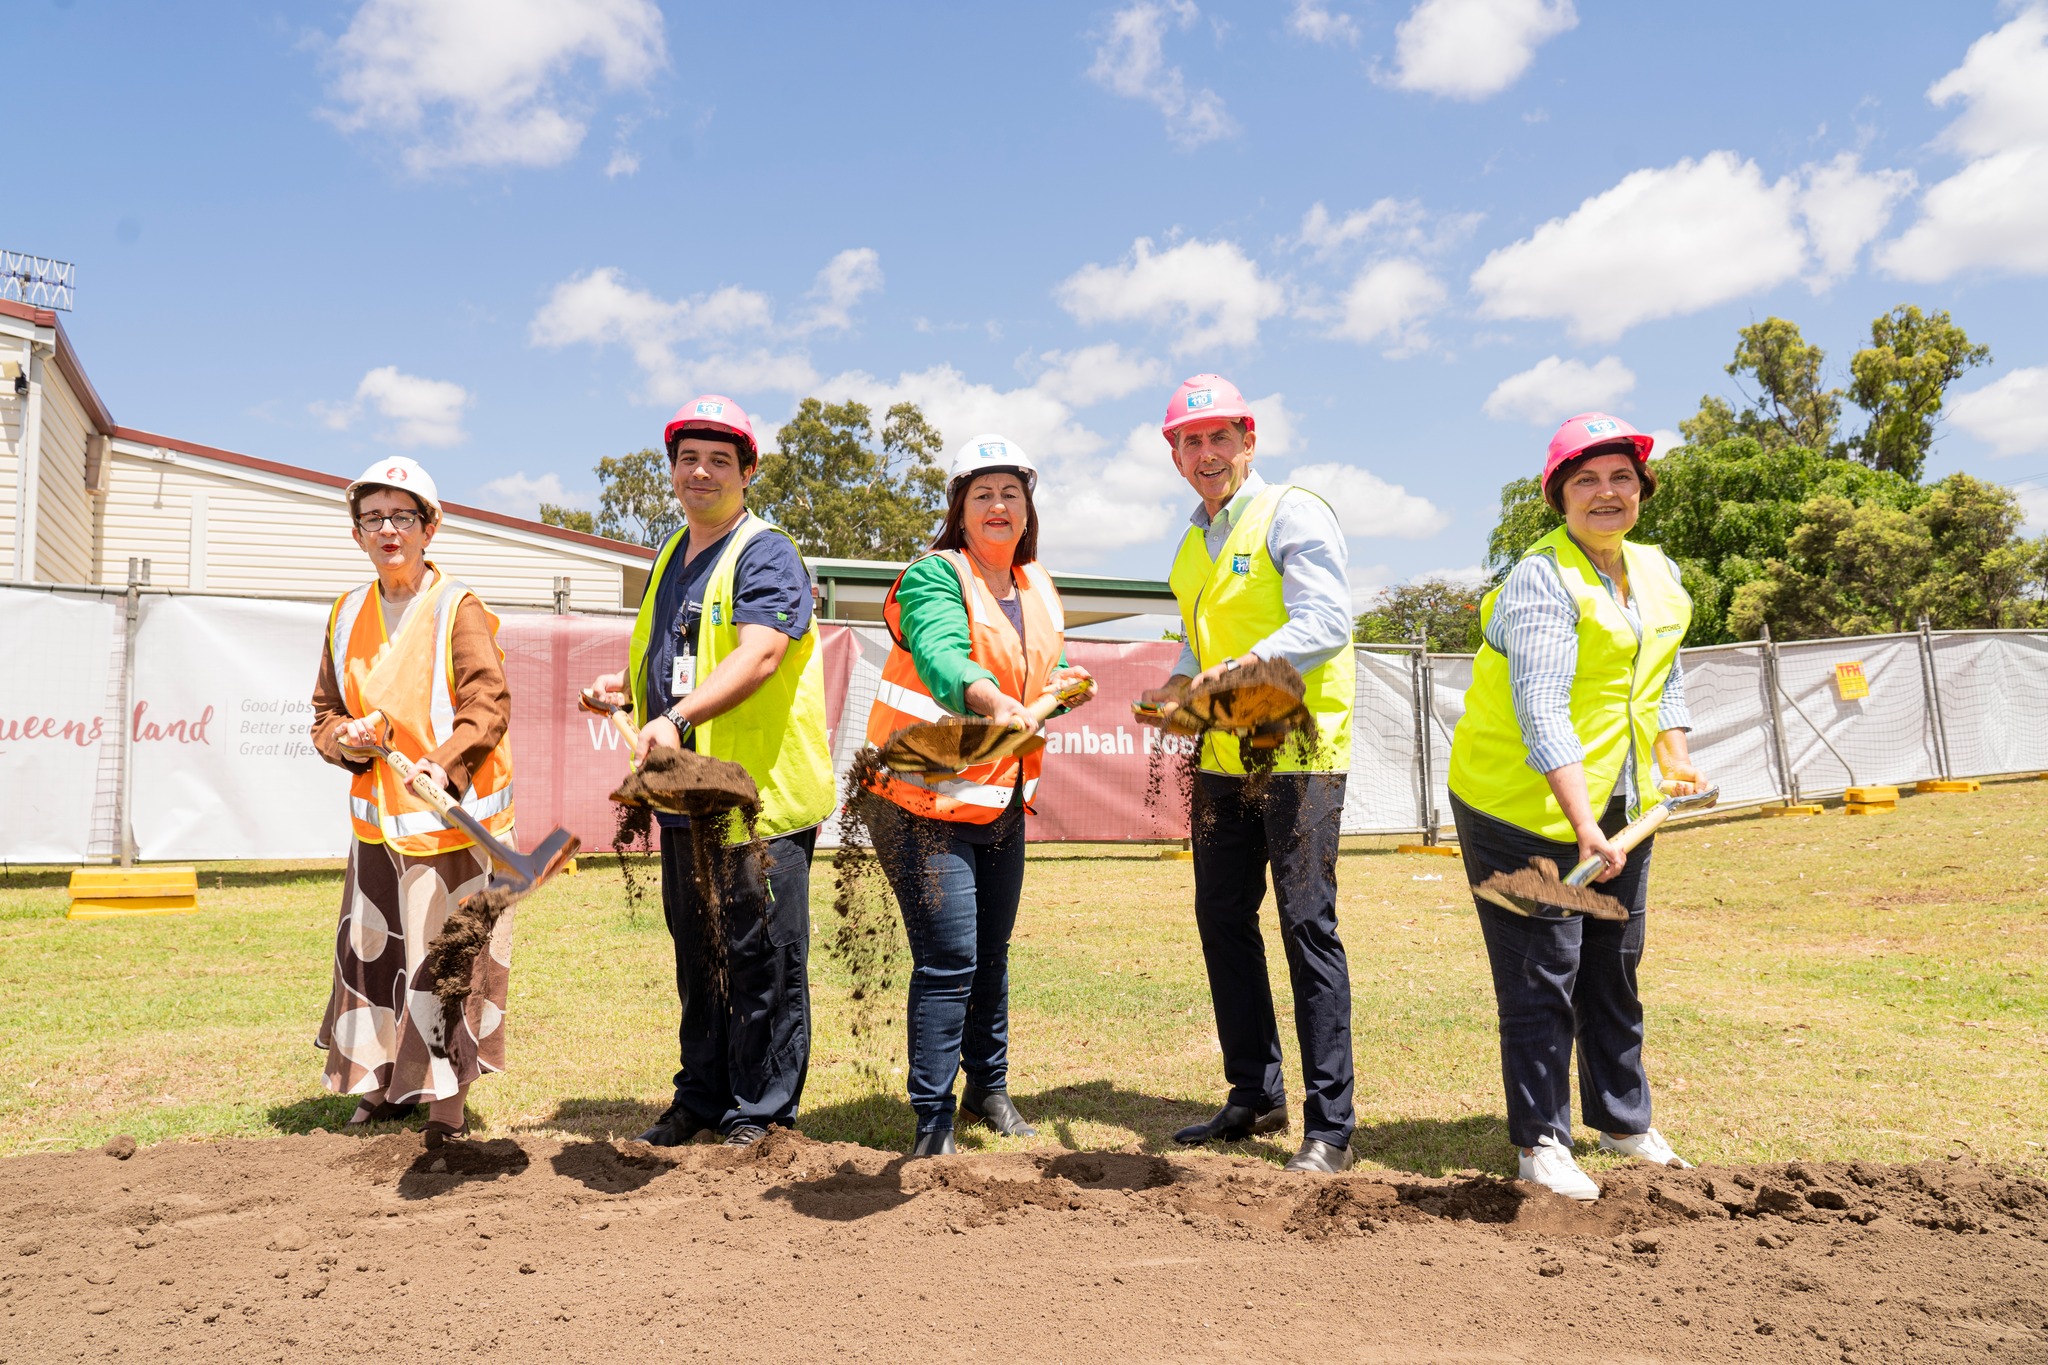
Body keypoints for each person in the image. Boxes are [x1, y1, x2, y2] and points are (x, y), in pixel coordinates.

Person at [1446, 412, 1706, 1202]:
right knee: (1541, 971)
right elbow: (1542, 707)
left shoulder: (1656, 573)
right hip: (1516, 804)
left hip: (1616, 802)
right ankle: (1541, 1142)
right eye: (1585, 480)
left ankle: (1623, 1121)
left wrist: (1675, 758)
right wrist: (1582, 823)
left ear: (1642, 490)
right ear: (1559, 494)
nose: (1605, 493)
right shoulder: (1541, 579)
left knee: (1613, 965)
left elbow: (1661, 676)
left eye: (1620, 477)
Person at [585, 395, 834, 1149]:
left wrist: (679, 718)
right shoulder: (670, 553)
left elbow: (758, 652)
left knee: (762, 960)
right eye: (688, 458)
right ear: (671, 470)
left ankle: (760, 1113)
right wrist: (630, 694)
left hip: (760, 803)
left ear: (748, 471)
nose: (701, 471)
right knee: (698, 954)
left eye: (719, 460)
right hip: (687, 804)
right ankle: (700, 1096)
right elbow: (679, 660)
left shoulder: (766, 552)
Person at [1135, 375, 1359, 1175]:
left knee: (1307, 928)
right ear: (1174, 454)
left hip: (1298, 752)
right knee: (1222, 920)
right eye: (1189, 442)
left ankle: (1329, 1124)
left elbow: (1327, 622)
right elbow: (1198, 650)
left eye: (1218, 437)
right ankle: (1255, 1090)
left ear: (1248, 439)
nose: (1205, 453)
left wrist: (1230, 672)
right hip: (1224, 760)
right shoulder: (1191, 545)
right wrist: (1176, 690)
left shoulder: (1291, 511)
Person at [859, 435, 1094, 1157]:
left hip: (997, 799)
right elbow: (938, 651)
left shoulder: (1038, 587)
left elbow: (1033, 677)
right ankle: (933, 1121)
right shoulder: (935, 575)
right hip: (914, 802)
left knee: (991, 953)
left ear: (1028, 511)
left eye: (1011, 494)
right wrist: (990, 699)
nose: (998, 506)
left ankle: (987, 1088)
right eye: (982, 493)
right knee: (951, 955)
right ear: (960, 509)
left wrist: (1058, 689)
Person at [311, 456, 515, 1145]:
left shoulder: (458, 607)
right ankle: (380, 1088)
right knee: (375, 961)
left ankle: (445, 1109)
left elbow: (487, 704)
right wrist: (348, 737)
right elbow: (323, 716)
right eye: (373, 518)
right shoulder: (344, 613)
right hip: (377, 833)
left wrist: (444, 761)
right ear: (357, 533)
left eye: (402, 515)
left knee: (440, 968)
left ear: (431, 526)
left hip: (445, 831)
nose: (388, 530)